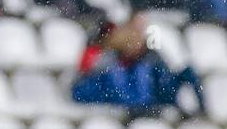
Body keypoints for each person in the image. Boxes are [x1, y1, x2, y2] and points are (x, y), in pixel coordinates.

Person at [71, 19, 206, 117]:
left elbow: (168, 79)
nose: (134, 43)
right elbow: (82, 86)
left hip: (152, 98)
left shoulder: (150, 58)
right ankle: (138, 105)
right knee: (120, 72)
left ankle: (201, 112)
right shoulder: (108, 61)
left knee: (151, 71)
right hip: (119, 100)